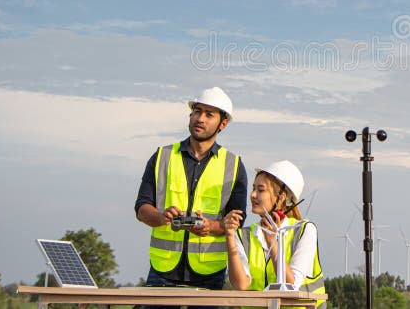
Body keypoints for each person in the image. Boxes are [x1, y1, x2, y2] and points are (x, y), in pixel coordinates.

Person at [135, 87, 247, 308]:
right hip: (162, 272)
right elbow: (141, 208)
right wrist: (161, 216)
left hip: (209, 274)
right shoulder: (162, 157)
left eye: (209, 114)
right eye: (197, 111)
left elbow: (237, 222)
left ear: (223, 124)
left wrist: (211, 226)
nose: (200, 118)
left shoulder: (233, 165)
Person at [224, 160, 326, 308]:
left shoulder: (305, 230)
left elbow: (291, 285)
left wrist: (272, 240)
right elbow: (241, 285)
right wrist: (229, 237)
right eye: (253, 188)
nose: (252, 195)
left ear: (282, 197)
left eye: (260, 190)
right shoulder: (242, 235)